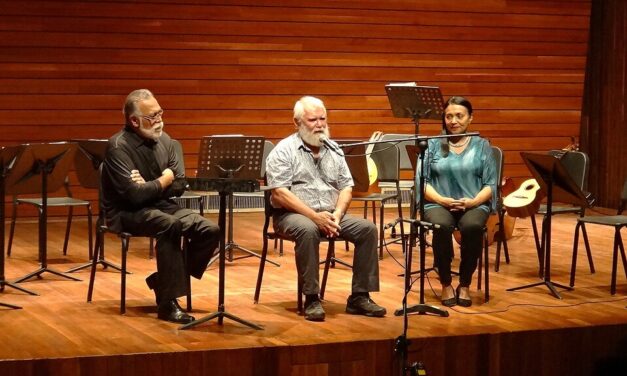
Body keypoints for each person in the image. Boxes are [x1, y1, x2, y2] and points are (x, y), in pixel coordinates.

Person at [101, 89, 220, 324]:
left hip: (161, 205)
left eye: (160, 114)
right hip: (125, 212)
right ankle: (167, 304)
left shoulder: (166, 140)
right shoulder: (118, 147)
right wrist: (164, 180)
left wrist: (153, 185)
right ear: (134, 121)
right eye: (151, 117)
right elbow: (134, 196)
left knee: (210, 231)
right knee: (169, 225)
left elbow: (180, 184)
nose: (159, 121)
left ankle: (162, 281)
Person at [265, 96, 386, 321]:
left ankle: (360, 296)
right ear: (297, 122)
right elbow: (280, 193)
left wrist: (337, 215)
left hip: (331, 214)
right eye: (313, 120)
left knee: (367, 229)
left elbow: (347, 187)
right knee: (308, 230)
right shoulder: (283, 150)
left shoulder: (334, 149)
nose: (320, 124)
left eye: (323, 118)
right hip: (292, 215)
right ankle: (312, 297)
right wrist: (314, 217)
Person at [417, 96, 496, 307]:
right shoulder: (433, 144)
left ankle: (465, 284)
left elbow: (491, 184)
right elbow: (421, 182)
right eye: (448, 116)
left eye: (459, 116)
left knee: (472, 227)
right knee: (441, 226)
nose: (453, 121)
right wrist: (442, 199)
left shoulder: (482, 146)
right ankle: (445, 283)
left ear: (470, 118)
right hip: (437, 202)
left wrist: (472, 203)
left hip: (474, 202)